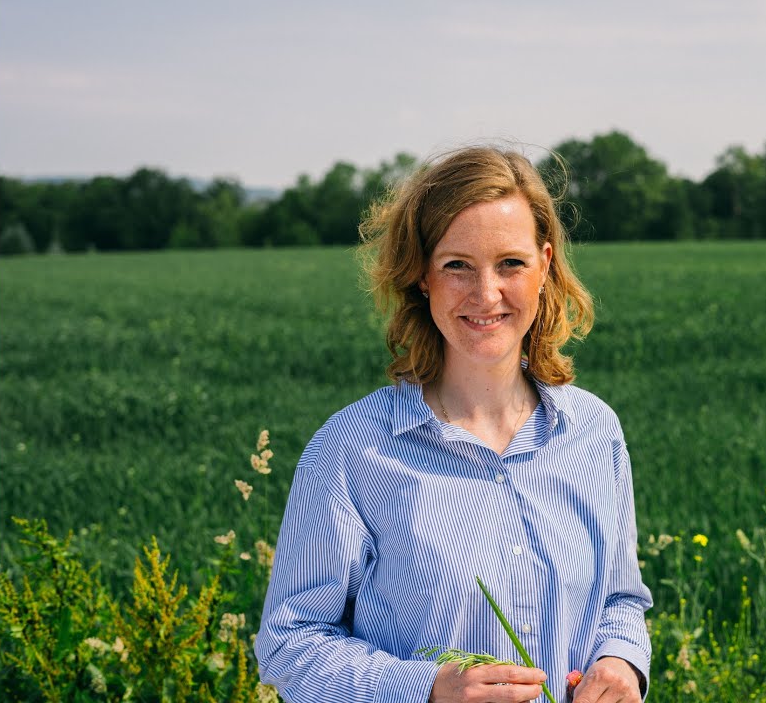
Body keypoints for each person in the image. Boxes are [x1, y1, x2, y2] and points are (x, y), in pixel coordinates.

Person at [254, 144, 653, 703]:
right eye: (457, 265)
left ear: (544, 266)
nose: (485, 294)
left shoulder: (593, 432)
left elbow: (619, 601)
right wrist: (429, 689)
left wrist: (621, 662)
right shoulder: (350, 451)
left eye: (510, 264)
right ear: (422, 276)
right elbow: (288, 646)